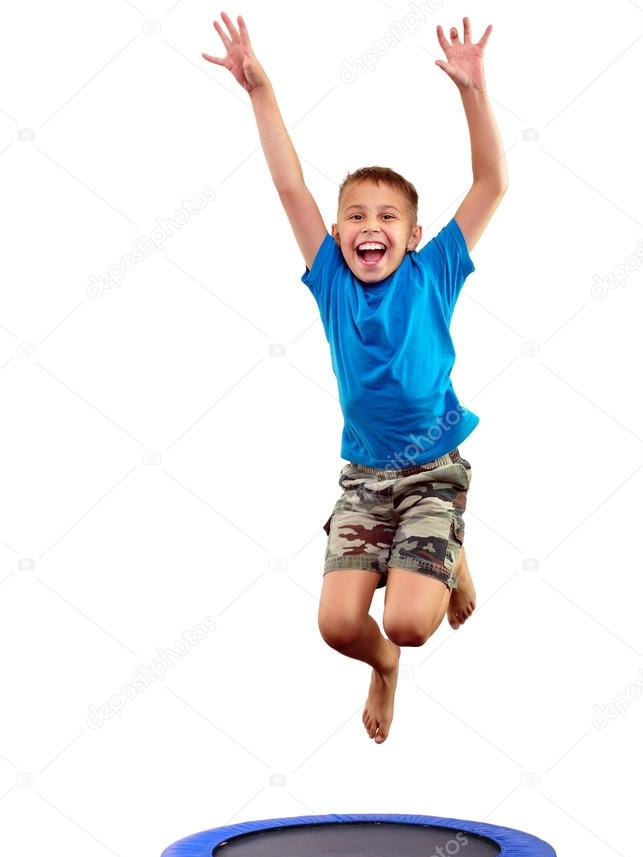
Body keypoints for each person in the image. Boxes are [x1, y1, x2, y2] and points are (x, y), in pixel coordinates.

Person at [202, 13, 508, 744]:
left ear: (414, 235)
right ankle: (385, 669)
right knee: (342, 626)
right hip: (367, 477)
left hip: (433, 469)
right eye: (355, 217)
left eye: (388, 217)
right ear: (338, 236)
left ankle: (448, 545)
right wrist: (259, 90)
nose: (371, 226)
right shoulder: (332, 281)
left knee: (409, 622)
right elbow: (289, 186)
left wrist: (472, 89)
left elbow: (492, 181)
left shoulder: (436, 274)